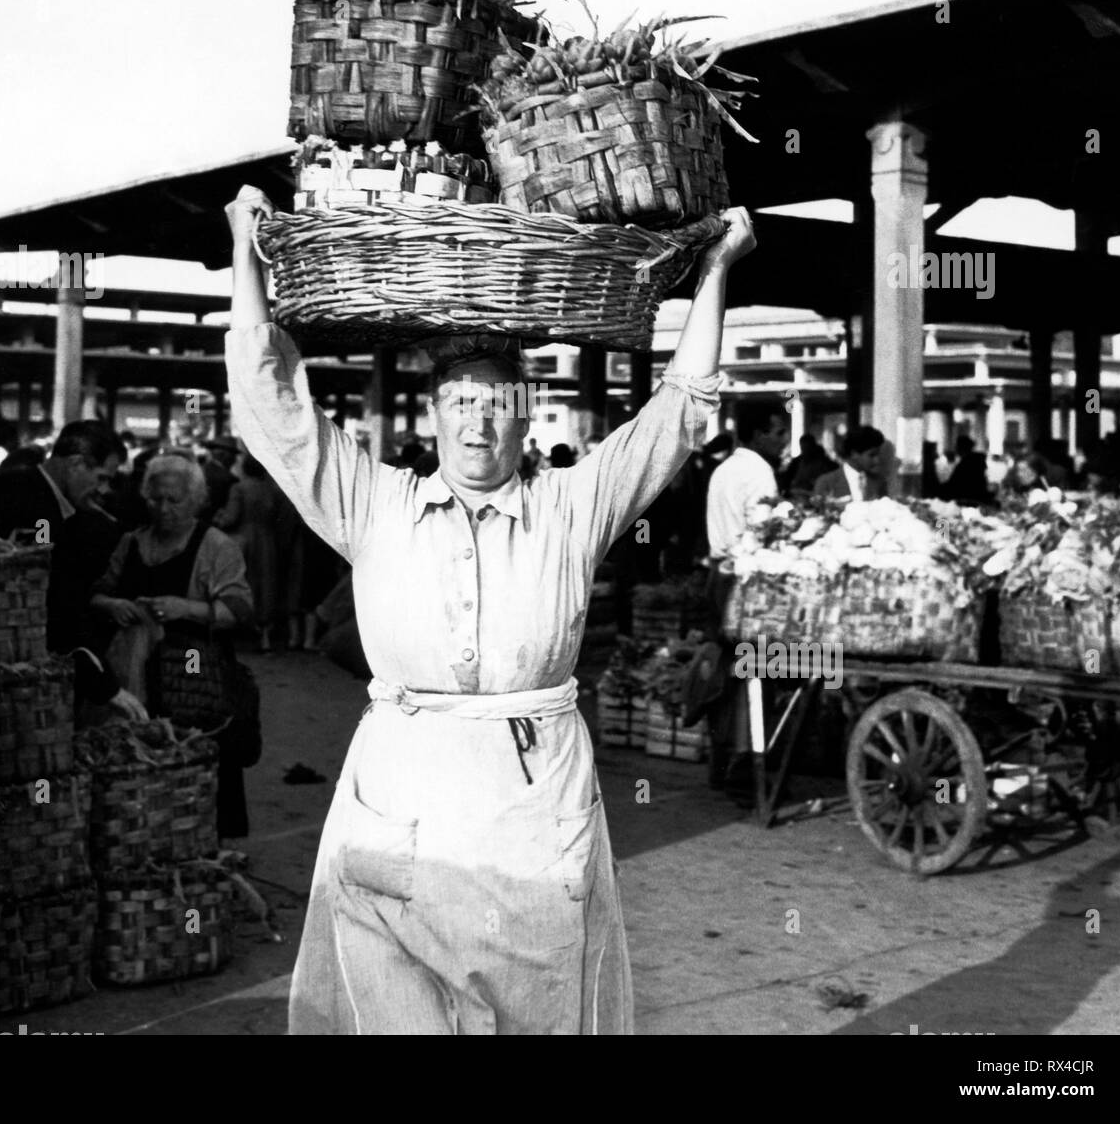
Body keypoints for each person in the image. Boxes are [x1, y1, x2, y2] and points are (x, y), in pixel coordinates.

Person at [224, 184, 754, 1036]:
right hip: (401, 796)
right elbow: (271, 408)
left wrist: (716, 270)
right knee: (390, 1012)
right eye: (460, 404)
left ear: (525, 419)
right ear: (431, 417)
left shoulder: (572, 508)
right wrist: (245, 258)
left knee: (536, 1010)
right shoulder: (375, 503)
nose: (478, 425)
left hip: (531, 801)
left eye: (497, 407)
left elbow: (678, 413)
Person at [90, 455, 255, 836]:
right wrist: (112, 605)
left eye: (174, 501)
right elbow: (97, 594)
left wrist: (187, 608)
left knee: (198, 749)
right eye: (156, 499)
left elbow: (241, 609)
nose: (163, 508)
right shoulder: (132, 542)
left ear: (196, 501)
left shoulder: (216, 546)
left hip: (194, 669)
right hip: (134, 674)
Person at [0, 419, 143, 719]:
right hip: (6, 663)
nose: (103, 490)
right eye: (100, 478)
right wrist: (103, 685)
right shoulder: (33, 504)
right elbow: (54, 597)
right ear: (75, 464)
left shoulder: (19, 486)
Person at [698, 398, 790, 791]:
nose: (784, 441)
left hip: (719, 578)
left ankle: (722, 766)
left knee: (730, 671)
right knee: (756, 673)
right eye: (778, 432)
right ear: (757, 434)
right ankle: (747, 769)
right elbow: (767, 536)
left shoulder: (724, 469)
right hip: (748, 582)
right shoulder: (759, 474)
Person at [216, 446, 302, 651]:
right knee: (267, 586)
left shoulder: (238, 488)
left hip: (244, 542)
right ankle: (265, 636)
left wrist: (218, 517)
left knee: (245, 584)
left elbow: (231, 517)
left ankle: (244, 632)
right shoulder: (272, 489)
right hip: (268, 542)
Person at [814, 425, 888, 501]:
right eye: (872, 455)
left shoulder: (879, 482)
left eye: (878, 455)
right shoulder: (826, 482)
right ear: (854, 454)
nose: (877, 460)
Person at [782, 432, 836, 496]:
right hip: (798, 494)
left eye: (807, 448)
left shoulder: (823, 462)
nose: (806, 451)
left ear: (813, 447)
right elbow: (787, 480)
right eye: (803, 448)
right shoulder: (796, 462)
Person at [942, 434, 992, 505]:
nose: (955, 448)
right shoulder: (976, 461)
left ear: (961, 447)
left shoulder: (966, 463)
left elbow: (955, 484)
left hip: (968, 502)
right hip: (975, 500)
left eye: (957, 446)